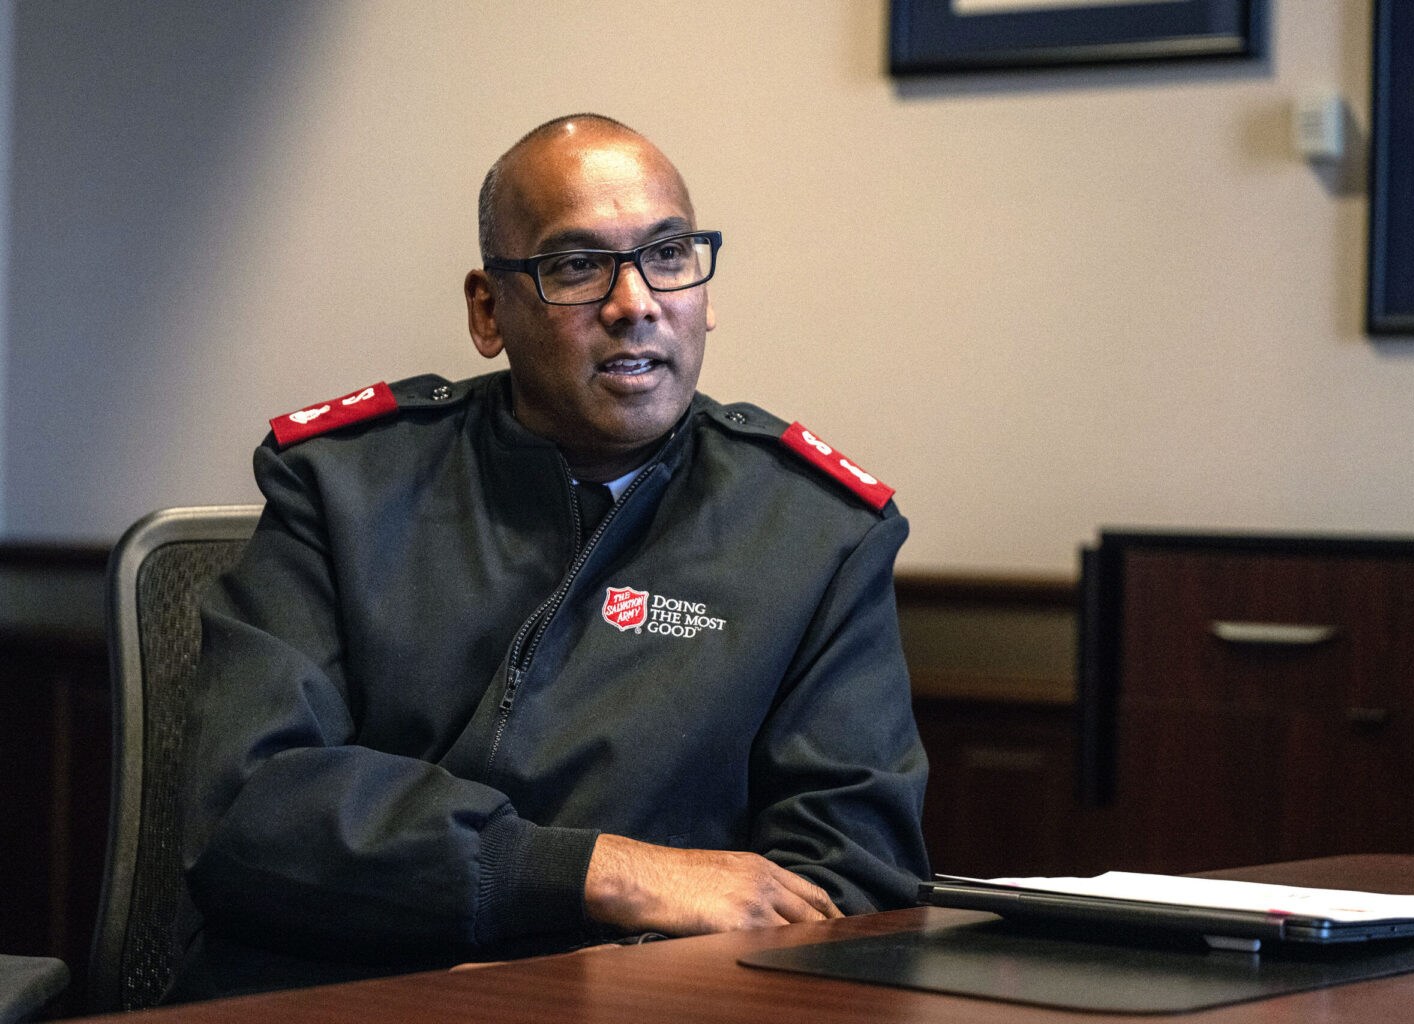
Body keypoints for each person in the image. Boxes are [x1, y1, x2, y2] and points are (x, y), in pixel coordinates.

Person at [169, 113, 929, 1001]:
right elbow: (251, 813)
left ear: (705, 294)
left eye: (669, 255)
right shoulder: (343, 488)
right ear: (488, 311)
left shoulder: (817, 535)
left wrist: (576, 980)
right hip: (336, 993)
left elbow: (848, 887)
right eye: (576, 267)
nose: (635, 302)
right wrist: (599, 873)